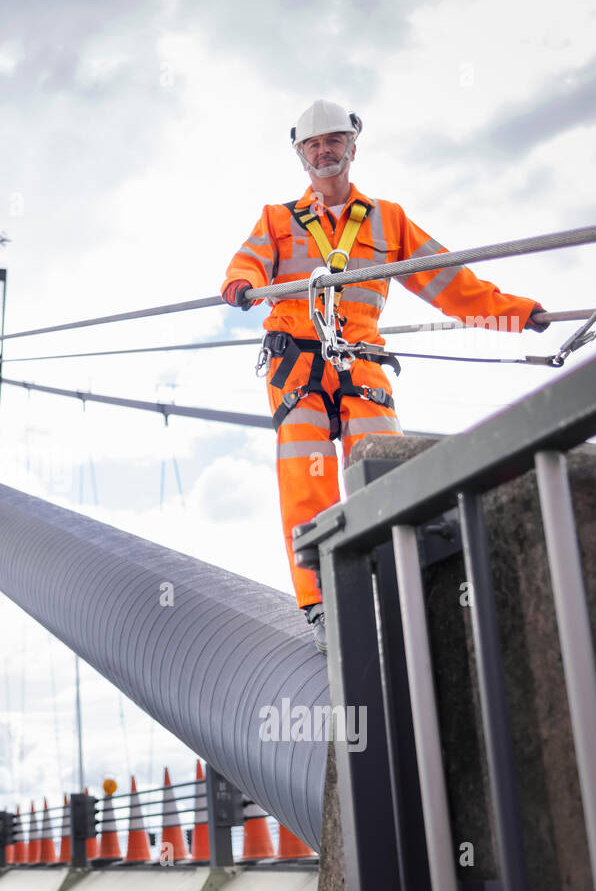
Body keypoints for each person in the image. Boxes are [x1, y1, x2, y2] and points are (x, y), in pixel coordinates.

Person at [220, 99, 549, 653]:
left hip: (361, 358)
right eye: (313, 145)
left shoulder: (387, 219)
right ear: (301, 155)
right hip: (297, 362)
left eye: (333, 141)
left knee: (383, 466)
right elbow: (248, 261)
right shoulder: (278, 219)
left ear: (352, 146)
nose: (324, 152)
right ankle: (323, 603)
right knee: (306, 475)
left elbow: (450, 283)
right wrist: (241, 284)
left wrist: (516, 314)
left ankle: (399, 581)